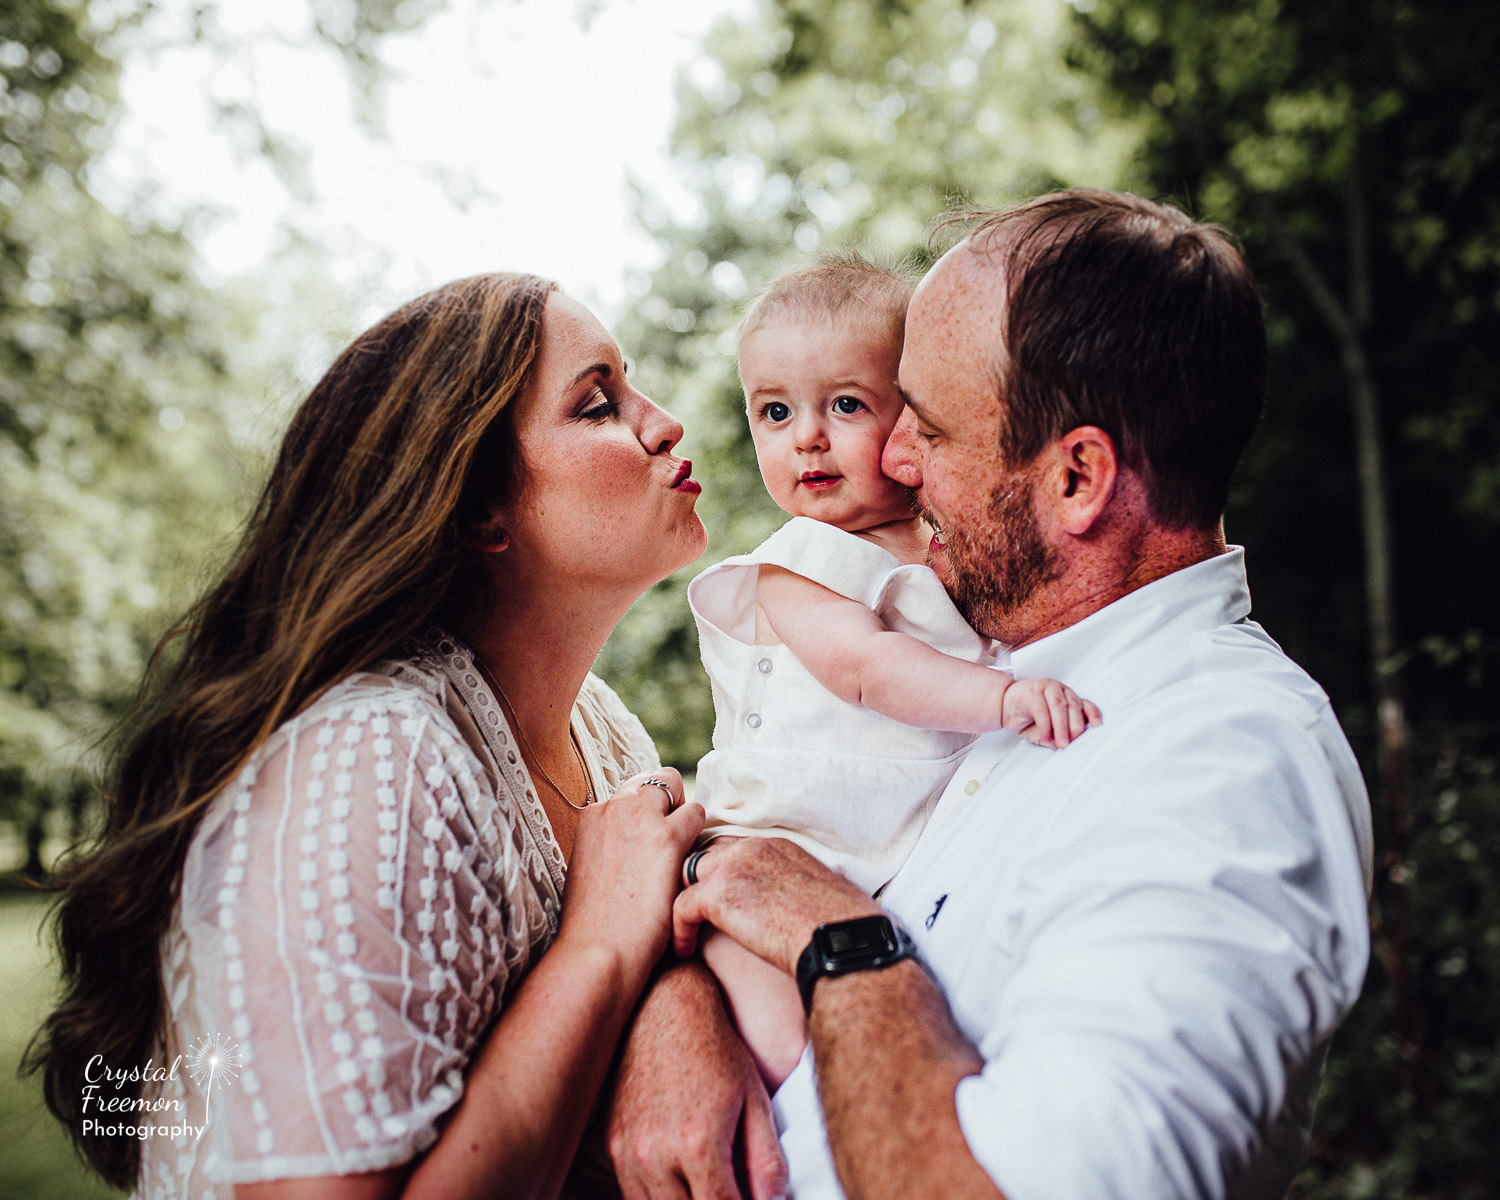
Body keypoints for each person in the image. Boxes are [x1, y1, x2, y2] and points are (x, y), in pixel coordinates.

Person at [605, 191, 1375, 1200]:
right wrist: (680, 1003)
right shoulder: (988, 666)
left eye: (925, 428)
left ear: (1076, 478)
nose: (895, 460)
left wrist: (839, 943)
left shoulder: (1222, 759)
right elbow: (769, 859)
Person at [28, 273, 712, 1200]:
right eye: (598, 405)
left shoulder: (601, 724)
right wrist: (600, 943)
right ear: (479, 508)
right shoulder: (370, 764)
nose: (664, 422)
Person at [688, 252, 1099, 1089]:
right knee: (786, 1058)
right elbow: (868, 668)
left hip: (889, 862)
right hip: (778, 847)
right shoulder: (798, 562)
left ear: (912, 418)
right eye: (775, 411)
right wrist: (1005, 699)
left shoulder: (949, 551)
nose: (807, 436)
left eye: (845, 404)